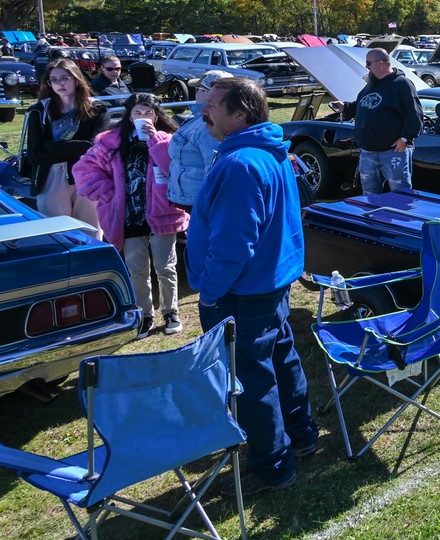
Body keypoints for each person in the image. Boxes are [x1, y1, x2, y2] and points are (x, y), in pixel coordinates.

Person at [187, 77, 318, 495]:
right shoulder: (268, 151)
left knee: (252, 380)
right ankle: (303, 437)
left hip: (242, 291)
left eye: (211, 105)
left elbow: (233, 243)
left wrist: (209, 291)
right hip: (270, 282)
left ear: (240, 113)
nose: (204, 111)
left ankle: (273, 467)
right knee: (281, 360)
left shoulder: (242, 162)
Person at [73, 93, 188, 337]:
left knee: (166, 267)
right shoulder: (110, 142)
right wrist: (107, 192)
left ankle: (170, 311)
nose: (143, 117)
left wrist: (155, 140)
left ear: (157, 116)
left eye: (148, 113)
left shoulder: (169, 141)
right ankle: (144, 314)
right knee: (137, 269)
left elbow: (174, 169)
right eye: (138, 113)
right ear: (129, 116)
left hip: (162, 213)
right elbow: (84, 169)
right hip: (127, 216)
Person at [24, 59, 109, 233]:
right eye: (54, 80)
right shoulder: (38, 111)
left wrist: (51, 146)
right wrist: (73, 149)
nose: (60, 83)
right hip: (50, 176)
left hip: (88, 175)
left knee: (90, 233)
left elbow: (95, 149)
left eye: (65, 78)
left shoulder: (98, 109)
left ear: (76, 79)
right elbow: (35, 154)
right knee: (58, 234)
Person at [330, 49, 422, 194]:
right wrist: (345, 107)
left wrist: (405, 138)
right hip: (368, 152)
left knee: (401, 195)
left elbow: (414, 114)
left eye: (368, 63)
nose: (366, 67)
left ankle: (401, 217)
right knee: (369, 194)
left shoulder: (402, 84)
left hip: (393, 152)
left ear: (380, 63)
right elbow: (361, 105)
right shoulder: (371, 84)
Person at [167, 70, 234, 209]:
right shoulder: (199, 117)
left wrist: (206, 206)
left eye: (199, 89)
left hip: (199, 201)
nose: (196, 93)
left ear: (209, 94)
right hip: (191, 198)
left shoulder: (208, 124)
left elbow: (213, 166)